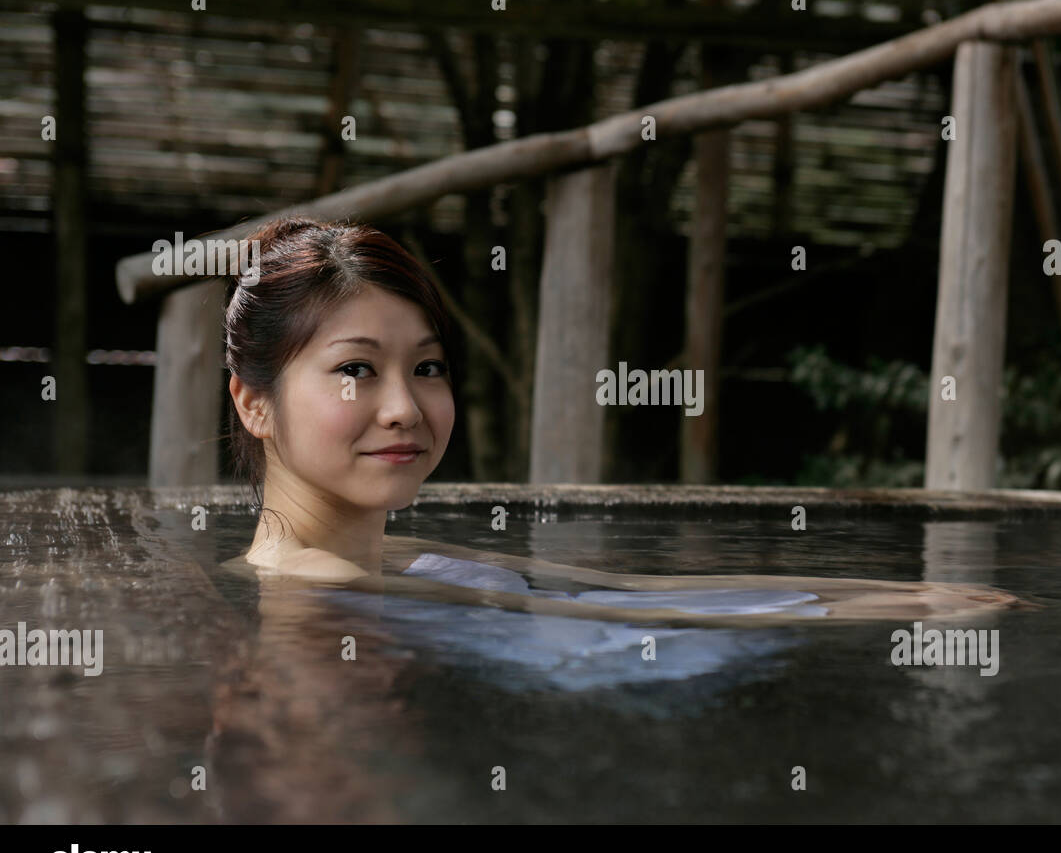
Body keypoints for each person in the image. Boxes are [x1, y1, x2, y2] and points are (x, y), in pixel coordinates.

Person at [218, 215, 1016, 625]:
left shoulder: (387, 560)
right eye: (356, 369)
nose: (403, 407)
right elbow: (628, 613)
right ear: (253, 403)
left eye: (426, 368)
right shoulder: (321, 589)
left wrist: (900, 590)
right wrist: (890, 616)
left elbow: (639, 584)